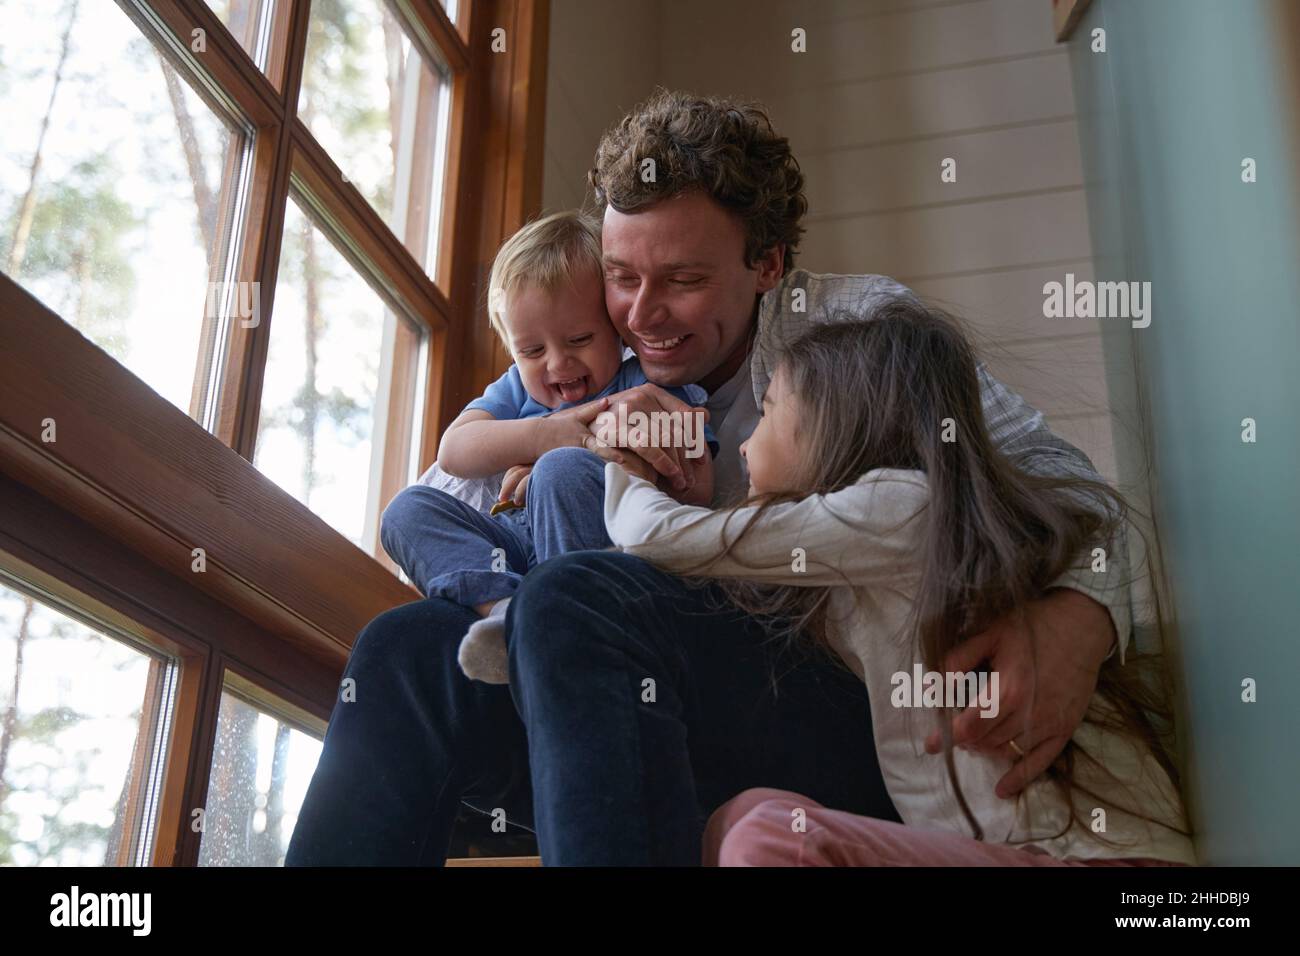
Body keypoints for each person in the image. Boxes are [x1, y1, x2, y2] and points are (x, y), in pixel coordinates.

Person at [285, 90, 1129, 867]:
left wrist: (1082, 618)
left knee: (578, 596)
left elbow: (1071, 487)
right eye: (623, 277)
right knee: (404, 649)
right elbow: (431, 502)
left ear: (768, 263)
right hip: (600, 694)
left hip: (824, 704)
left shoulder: (855, 328)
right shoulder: (588, 350)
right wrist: (552, 441)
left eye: (684, 281)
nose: (642, 315)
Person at [602, 306, 1194, 867]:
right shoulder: (876, 546)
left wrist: (623, 461)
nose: (746, 441)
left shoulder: (903, 507)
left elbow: (656, 534)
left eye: (771, 408)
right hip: (1002, 853)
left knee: (768, 835)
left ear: (833, 423)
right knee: (744, 816)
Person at [379, 210, 713, 684]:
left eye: (579, 338)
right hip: (515, 548)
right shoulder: (517, 389)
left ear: (615, 328)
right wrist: (549, 433)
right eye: (532, 351)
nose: (558, 363)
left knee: (561, 469)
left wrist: (617, 461)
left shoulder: (641, 380)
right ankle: (505, 613)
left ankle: (562, 619)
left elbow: (699, 488)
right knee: (405, 511)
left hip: (599, 552)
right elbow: (455, 450)